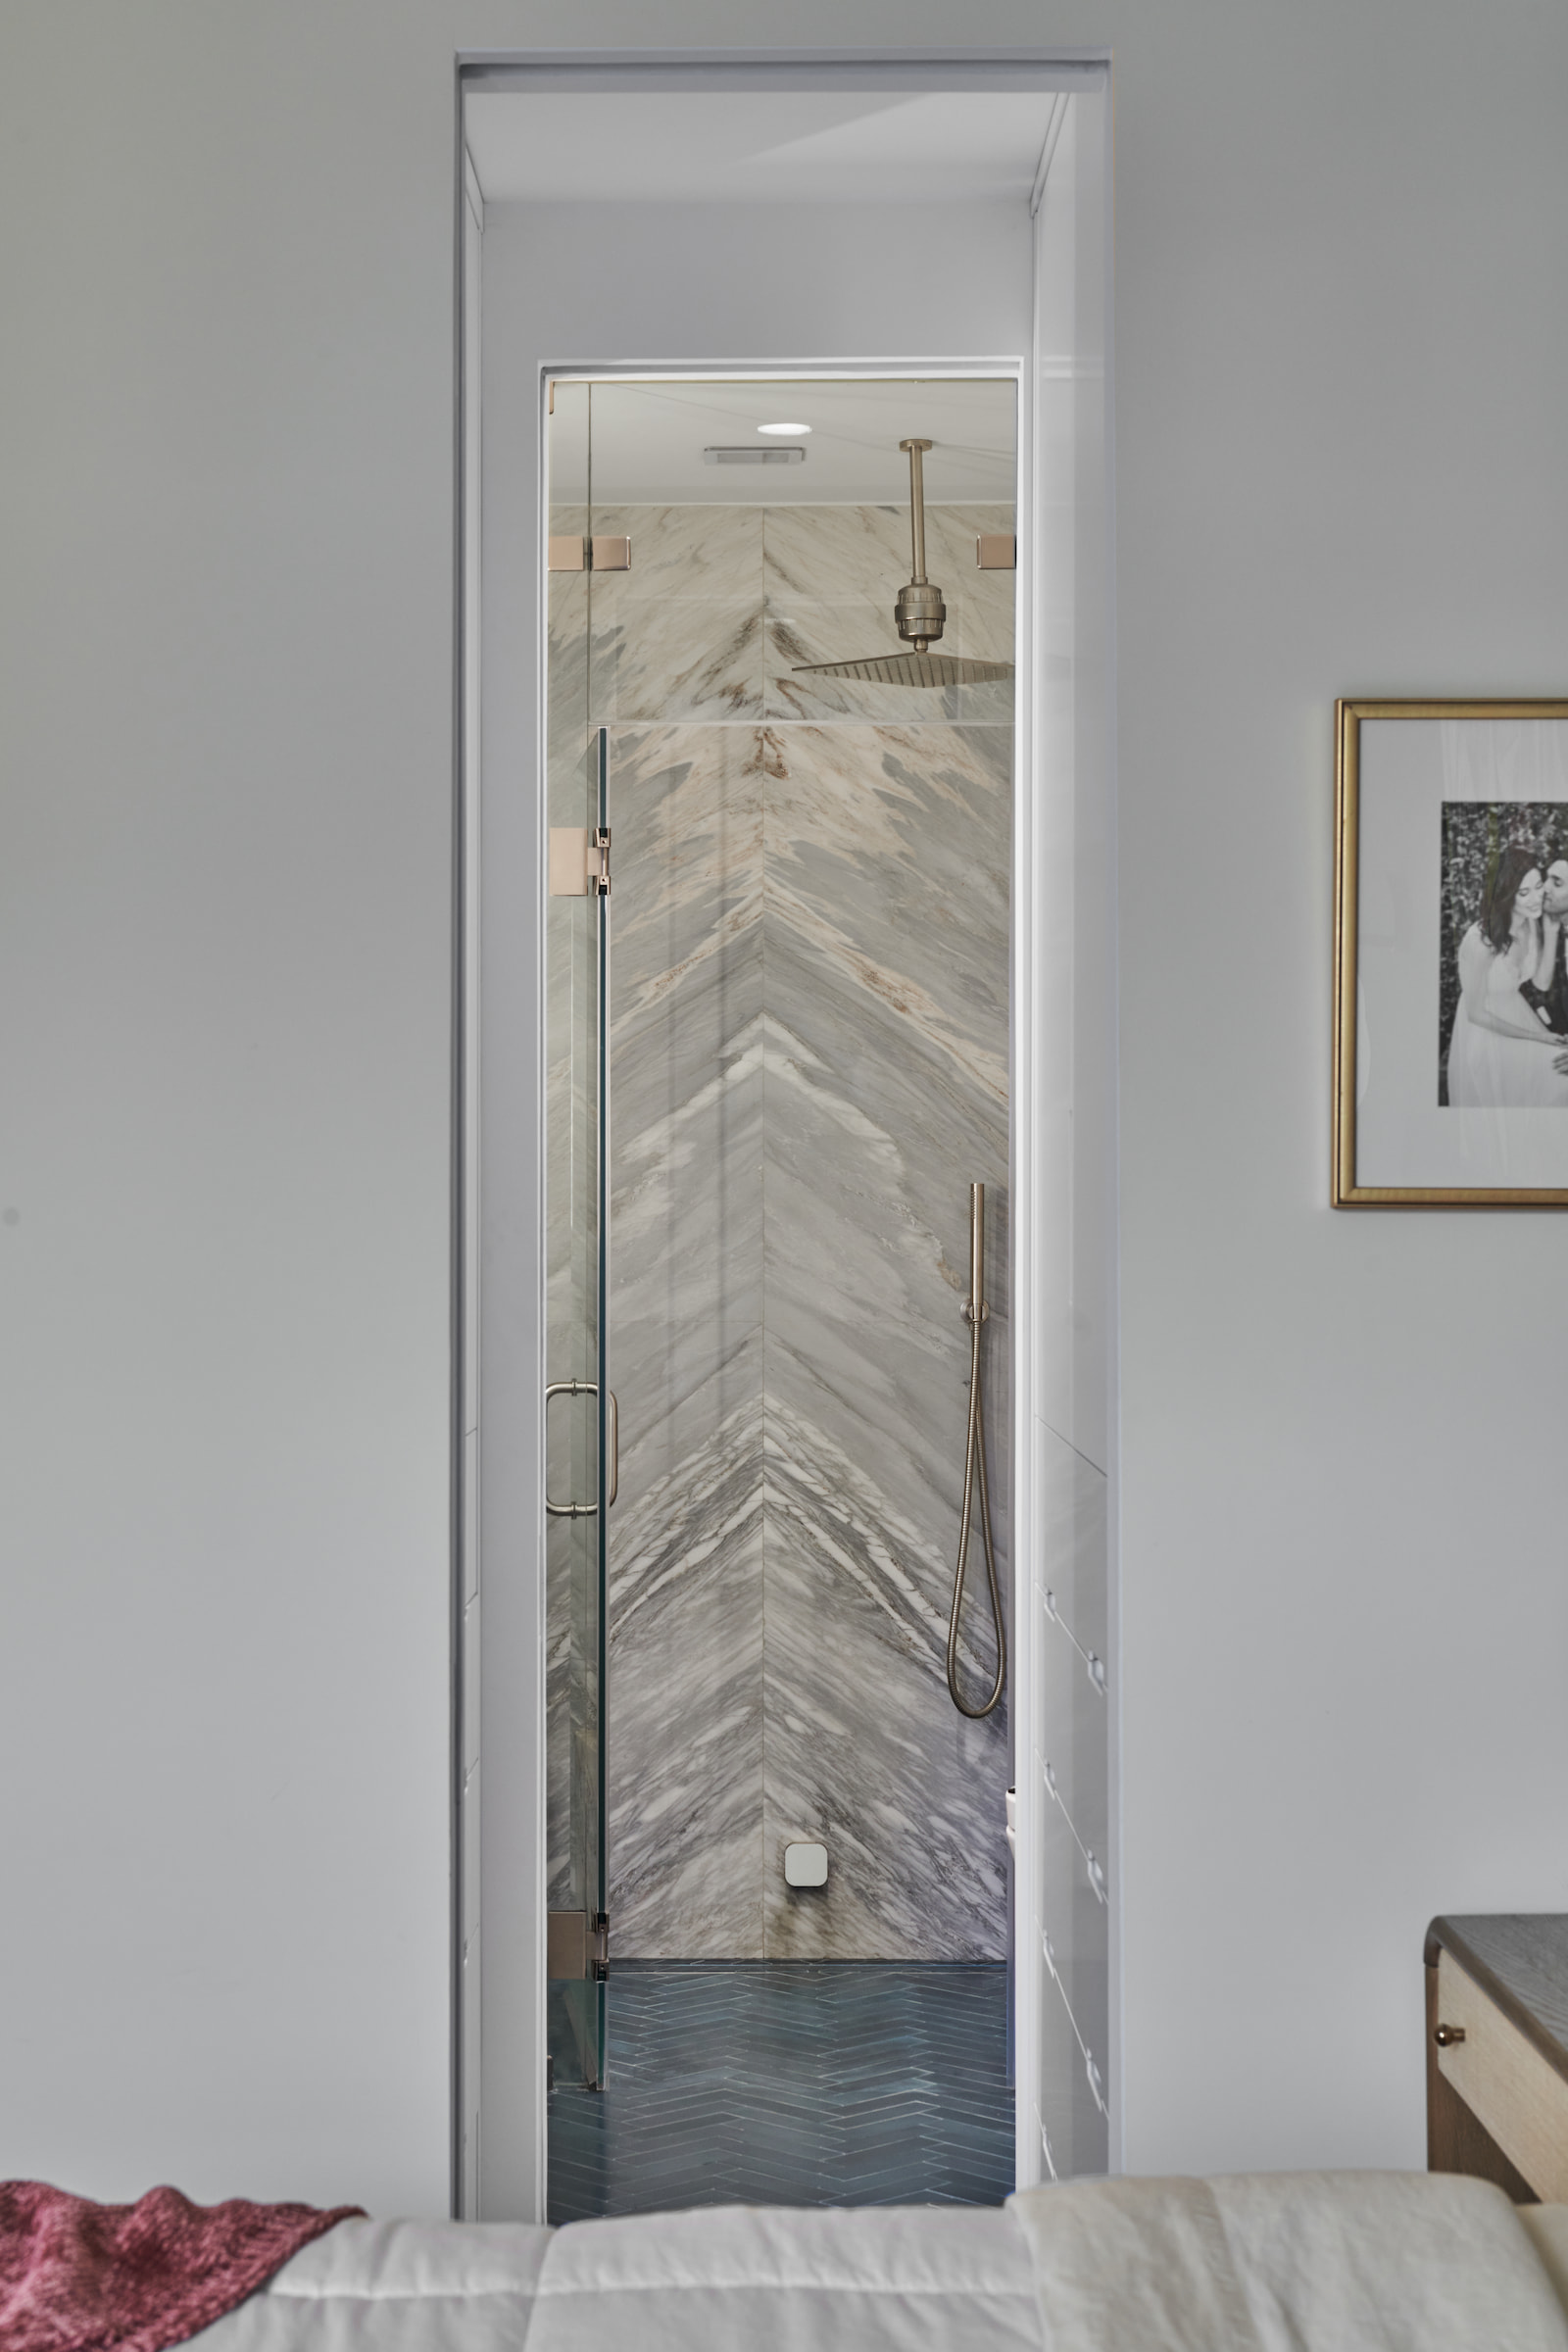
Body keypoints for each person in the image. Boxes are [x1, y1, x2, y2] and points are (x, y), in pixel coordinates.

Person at [1446, 846, 1568, 1107]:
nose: (1537, 898)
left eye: (1538, 886)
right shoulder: (1480, 941)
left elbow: (1541, 983)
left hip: (1518, 1014)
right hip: (1484, 1029)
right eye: (1524, 893)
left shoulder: (1532, 921)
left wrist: (1553, 927)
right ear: (1506, 896)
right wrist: (1539, 1036)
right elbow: (1475, 1013)